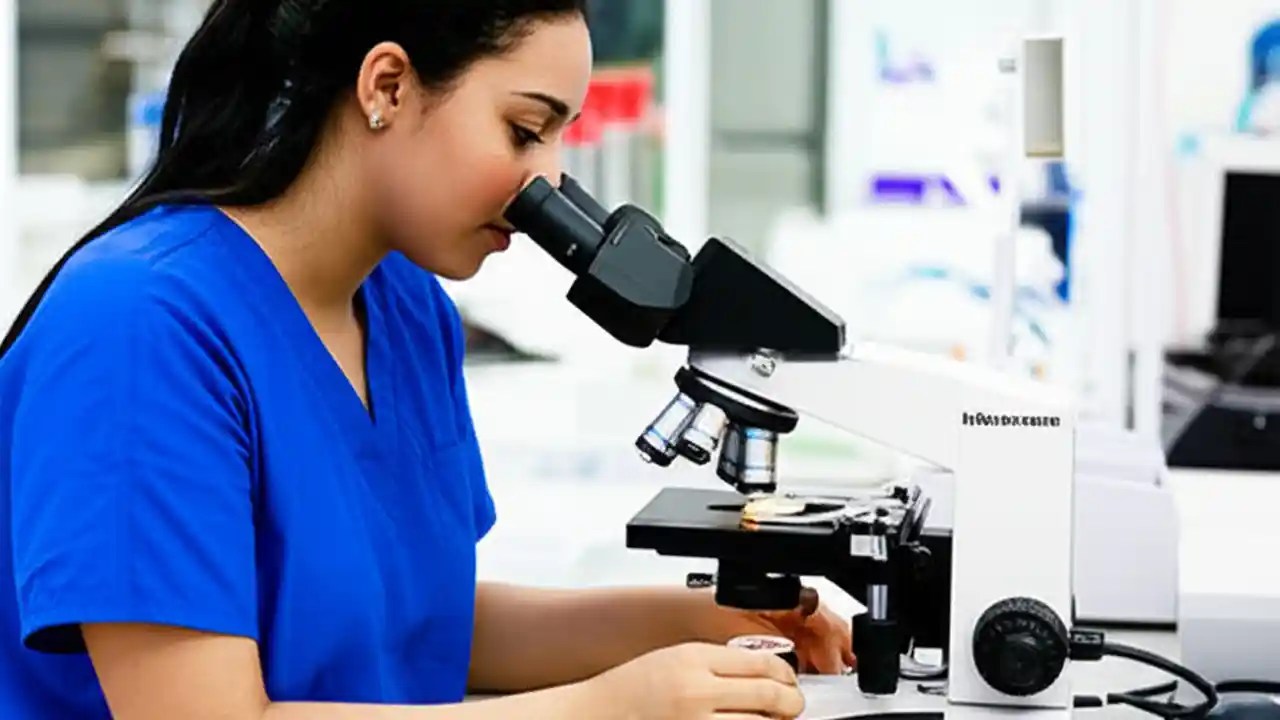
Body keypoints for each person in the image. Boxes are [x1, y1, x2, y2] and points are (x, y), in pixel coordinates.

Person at [0, 1, 855, 719]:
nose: (549, 184)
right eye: (525, 131)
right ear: (388, 86)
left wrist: (702, 625)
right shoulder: (138, 326)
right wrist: (599, 708)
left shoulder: (408, 308)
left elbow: (420, 626)